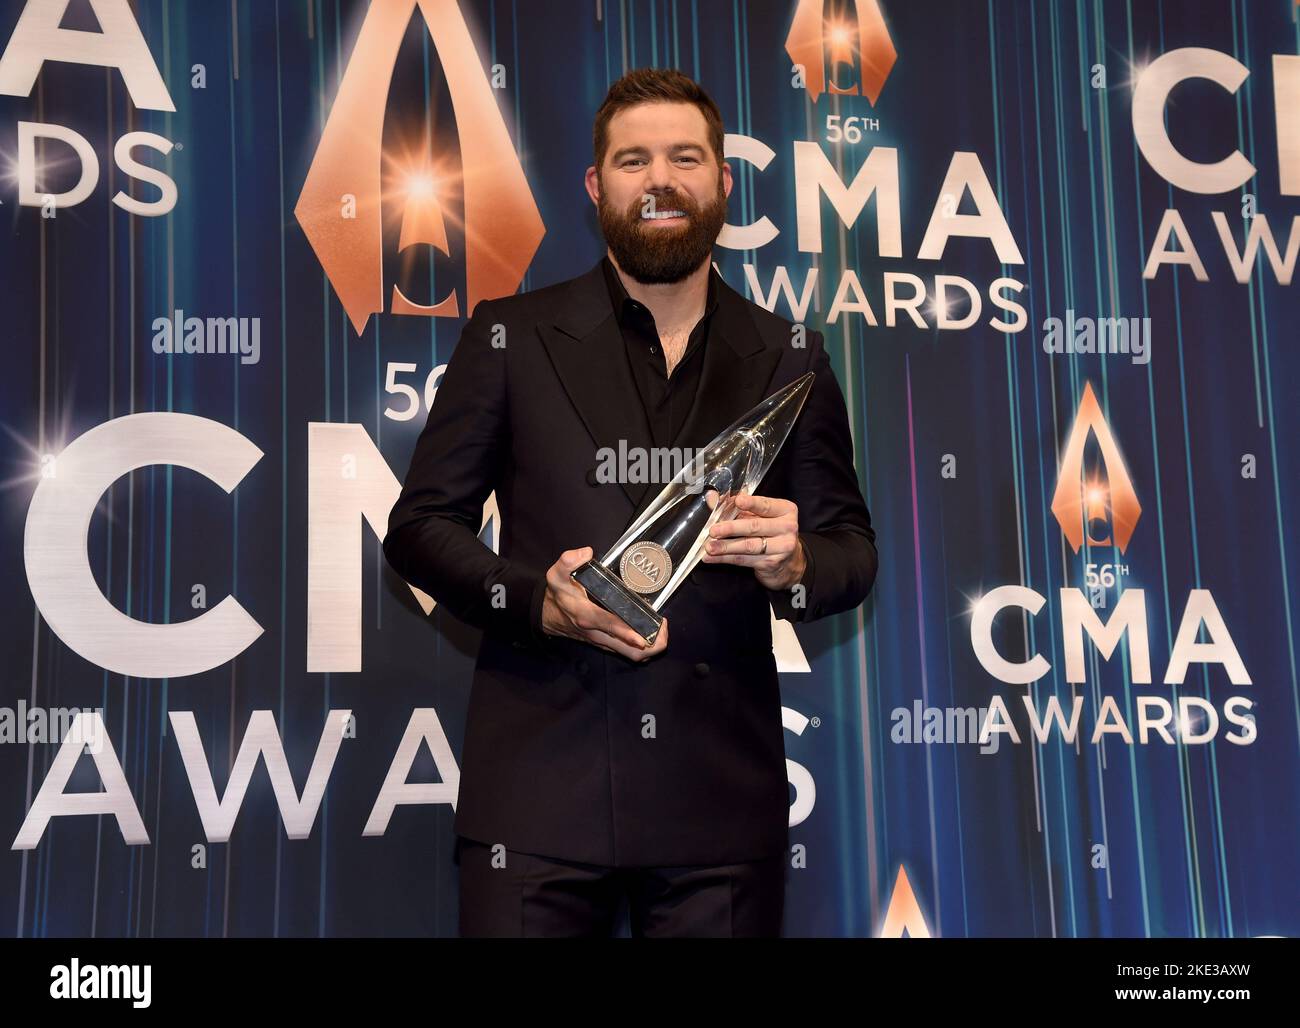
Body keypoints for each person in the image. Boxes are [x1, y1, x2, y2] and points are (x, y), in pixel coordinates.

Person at [383, 67, 877, 937]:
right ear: (595, 186)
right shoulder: (511, 337)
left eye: (686, 158)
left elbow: (850, 552)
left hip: (720, 809)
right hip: (538, 801)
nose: (660, 180)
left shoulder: (791, 355)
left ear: (723, 182)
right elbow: (420, 529)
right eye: (633, 160)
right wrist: (539, 600)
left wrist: (797, 563)